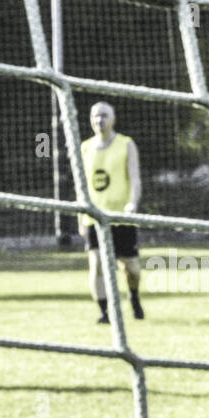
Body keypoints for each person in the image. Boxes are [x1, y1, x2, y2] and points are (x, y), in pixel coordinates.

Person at [78, 101, 143, 324]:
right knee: (97, 266)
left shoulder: (126, 144)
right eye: (95, 116)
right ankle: (105, 313)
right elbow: (82, 186)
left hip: (121, 217)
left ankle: (134, 296)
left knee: (131, 268)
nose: (100, 120)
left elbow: (134, 178)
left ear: (113, 118)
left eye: (104, 115)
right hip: (94, 218)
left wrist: (132, 203)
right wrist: (81, 216)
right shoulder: (85, 148)